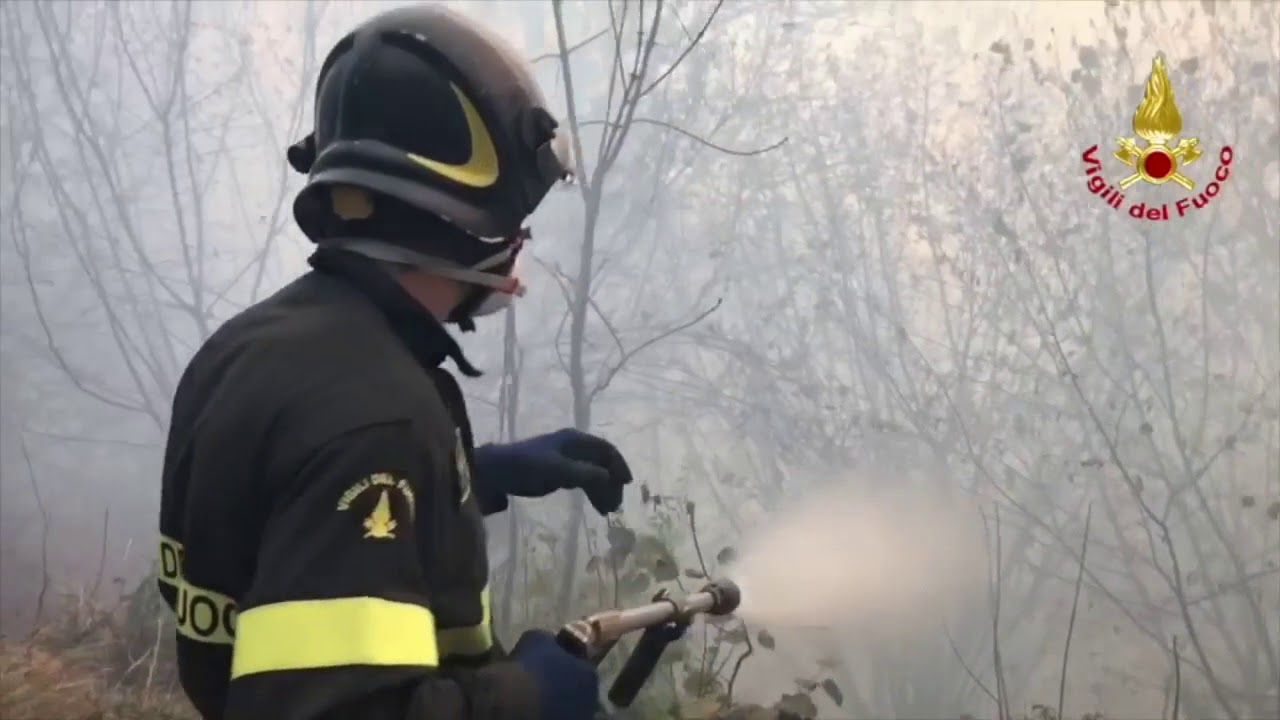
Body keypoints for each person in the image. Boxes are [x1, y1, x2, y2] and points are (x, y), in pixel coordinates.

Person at [156, 5, 634, 719]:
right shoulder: (378, 421)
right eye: (517, 219)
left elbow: (288, 531)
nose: (520, 241)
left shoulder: (251, 347)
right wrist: (526, 696)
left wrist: (467, 478)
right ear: (469, 210)